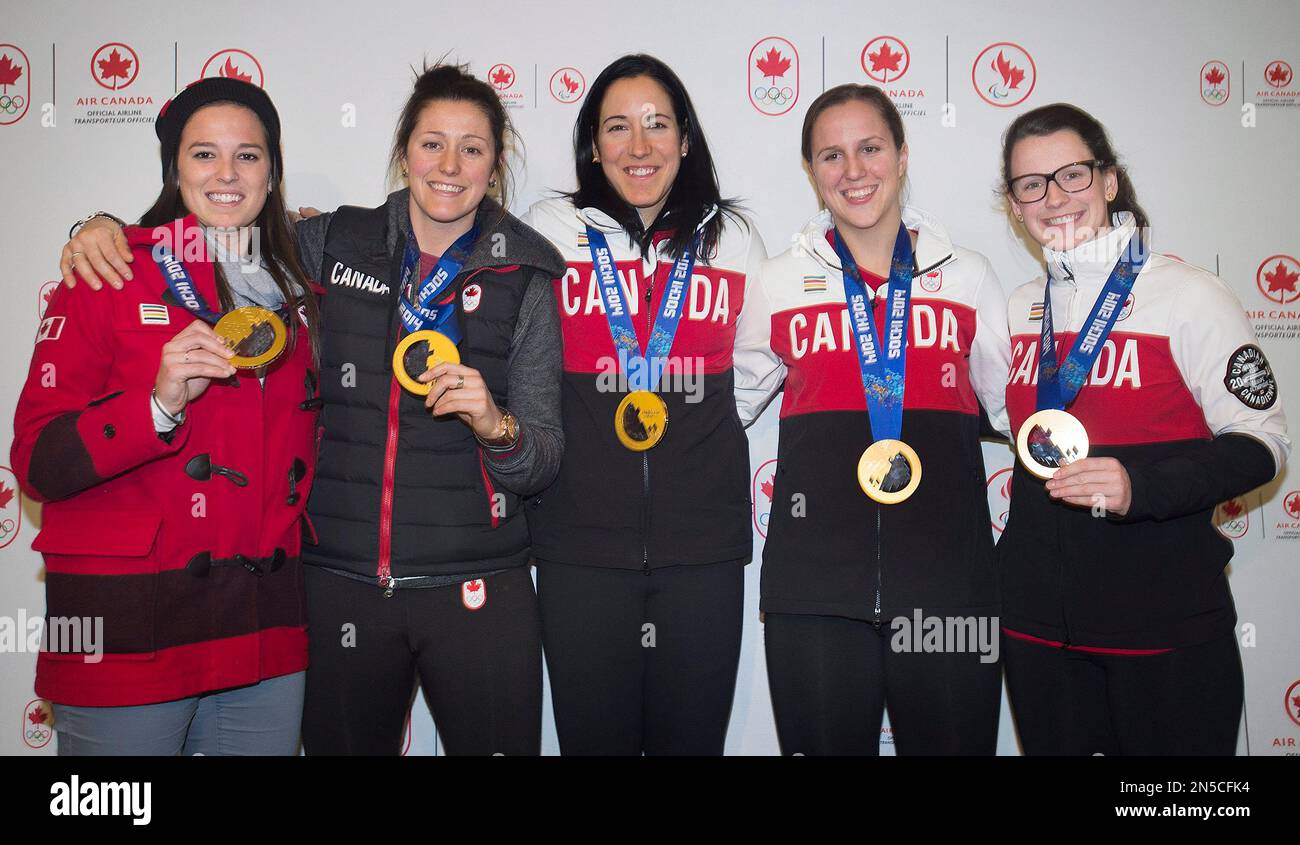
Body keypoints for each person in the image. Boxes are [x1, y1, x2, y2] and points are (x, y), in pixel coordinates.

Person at [56, 64, 565, 756]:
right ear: (403, 150)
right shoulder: (329, 243)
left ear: (495, 164)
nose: (449, 165)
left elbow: (540, 459)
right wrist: (101, 226)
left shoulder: (529, 271)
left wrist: (494, 425)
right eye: (431, 143)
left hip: (479, 586)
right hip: (337, 587)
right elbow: (216, 228)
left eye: (471, 148)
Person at [13, 77, 320, 755]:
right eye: (204, 154)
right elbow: (36, 461)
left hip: (261, 635)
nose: (227, 173)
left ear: (272, 174)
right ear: (173, 169)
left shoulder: (297, 293)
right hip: (126, 634)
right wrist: (155, 407)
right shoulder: (108, 270)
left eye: (249, 155)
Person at [998, 103, 1289, 755]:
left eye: (1072, 175)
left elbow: (1262, 446)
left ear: (1108, 181)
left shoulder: (1188, 293)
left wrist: (1142, 487)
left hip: (1166, 632)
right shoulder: (1019, 308)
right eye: (1031, 184)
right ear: (1015, 206)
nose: (1054, 198)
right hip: (1040, 634)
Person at [521, 54, 777, 755]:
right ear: (592, 145)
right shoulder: (549, 229)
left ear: (686, 139)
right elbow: (524, 360)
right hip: (580, 547)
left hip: (703, 550)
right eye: (618, 128)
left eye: (658, 125)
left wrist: (700, 429)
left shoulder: (732, 239)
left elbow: (756, 366)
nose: (639, 147)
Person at [752, 84, 1011, 755]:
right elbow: (722, 407)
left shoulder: (967, 276)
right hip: (814, 595)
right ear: (811, 173)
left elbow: (1020, 413)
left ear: (901, 155)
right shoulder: (776, 283)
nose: (854, 170)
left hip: (948, 591)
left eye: (870, 148)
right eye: (831, 155)